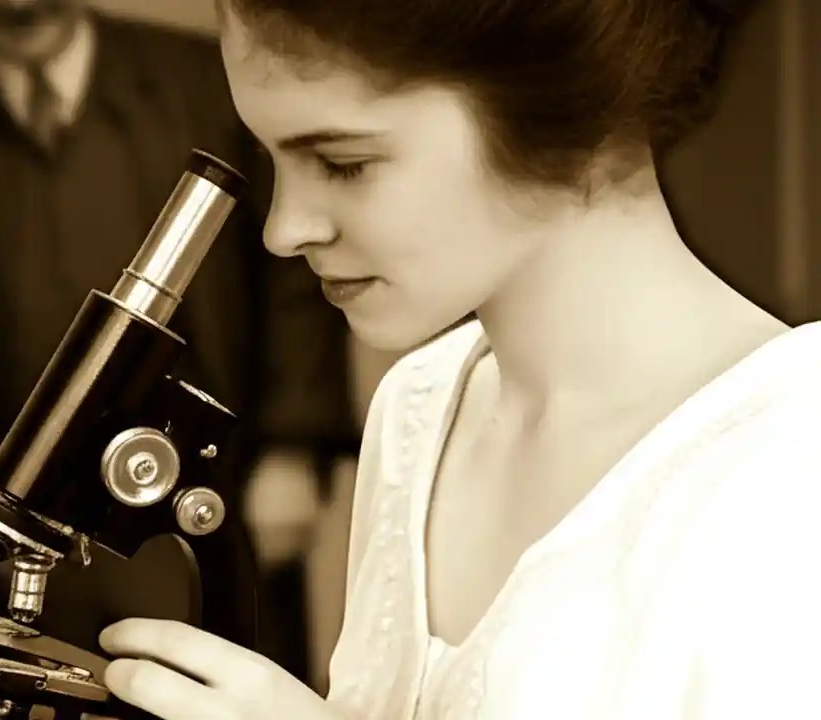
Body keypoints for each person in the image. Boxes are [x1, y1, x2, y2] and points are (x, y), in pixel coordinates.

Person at [94, 0, 821, 718]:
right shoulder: (420, 404)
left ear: (554, 104)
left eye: (343, 164)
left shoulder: (791, 468)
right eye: (272, 158)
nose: (285, 229)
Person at [0, 0, 355, 673]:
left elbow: (290, 275)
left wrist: (294, 451)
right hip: (40, 504)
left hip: (212, 486)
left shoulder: (205, 79)